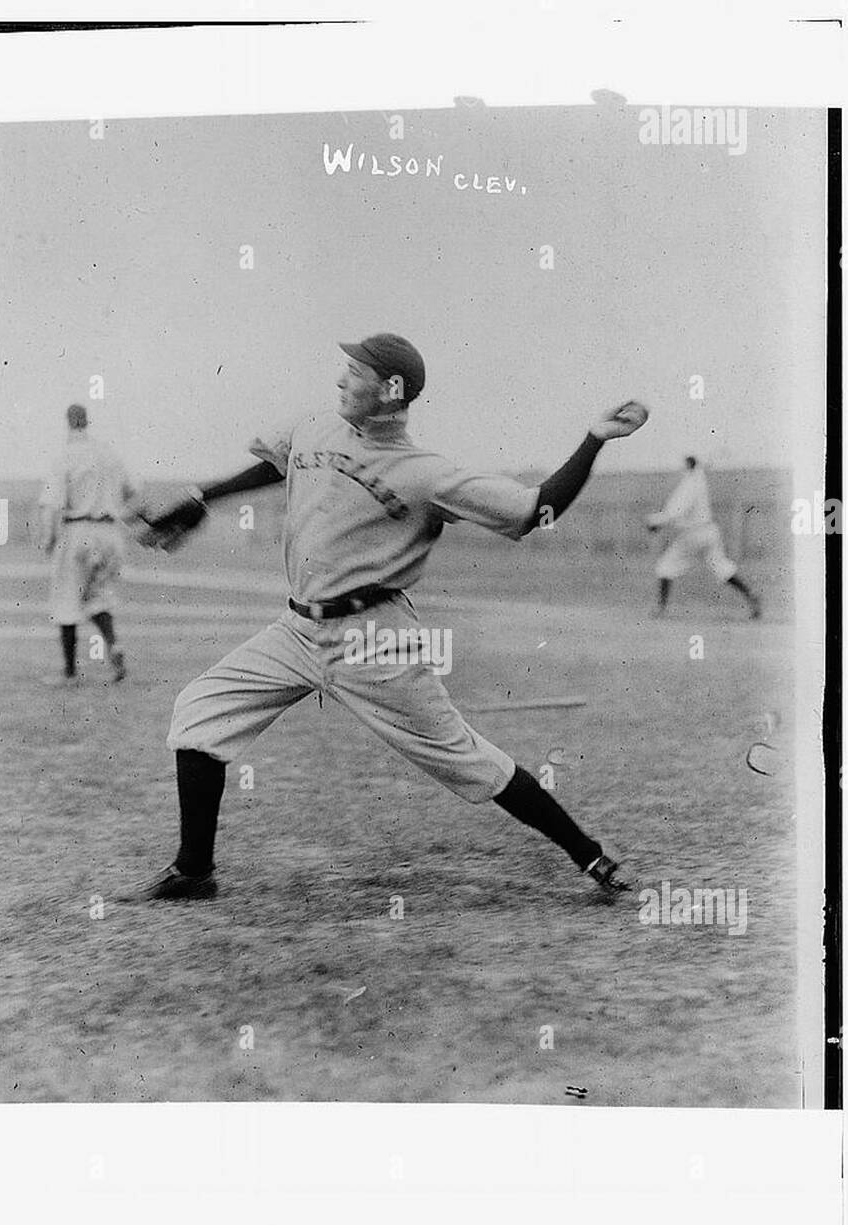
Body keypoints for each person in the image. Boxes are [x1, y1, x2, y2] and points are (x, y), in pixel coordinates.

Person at [119, 333, 648, 902]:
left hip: (374, 640)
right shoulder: (315, 426)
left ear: (392, 390)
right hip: (298, 630)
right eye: (344, 369)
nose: (342, 380)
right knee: (200, 711)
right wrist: (202, 497)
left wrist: (595, 439)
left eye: (356, 372)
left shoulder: (425, 474)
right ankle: (194, 872)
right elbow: (281, 464)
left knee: (463, 758)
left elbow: (531, 510)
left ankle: (588, 854)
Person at [38, 404, 137, 683]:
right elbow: (130, 491)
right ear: (88, 422)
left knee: (67, 598)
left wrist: (49, 538)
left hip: (78, 530)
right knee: (99, 596)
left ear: (69, 422)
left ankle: (69, 672)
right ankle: (114, 645)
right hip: (109, 533)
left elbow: (53, 504)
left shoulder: (65, 455)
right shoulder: (109, 454)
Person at [647, 454, 761, 618]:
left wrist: (655, 521)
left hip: (694, 534)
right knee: (721, 566)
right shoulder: (699, 480)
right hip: (709, 531)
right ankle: (751, 594)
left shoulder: (689, 483)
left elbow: (677, 511)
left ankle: (660, 608)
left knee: (665, 566)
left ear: (688, 466)